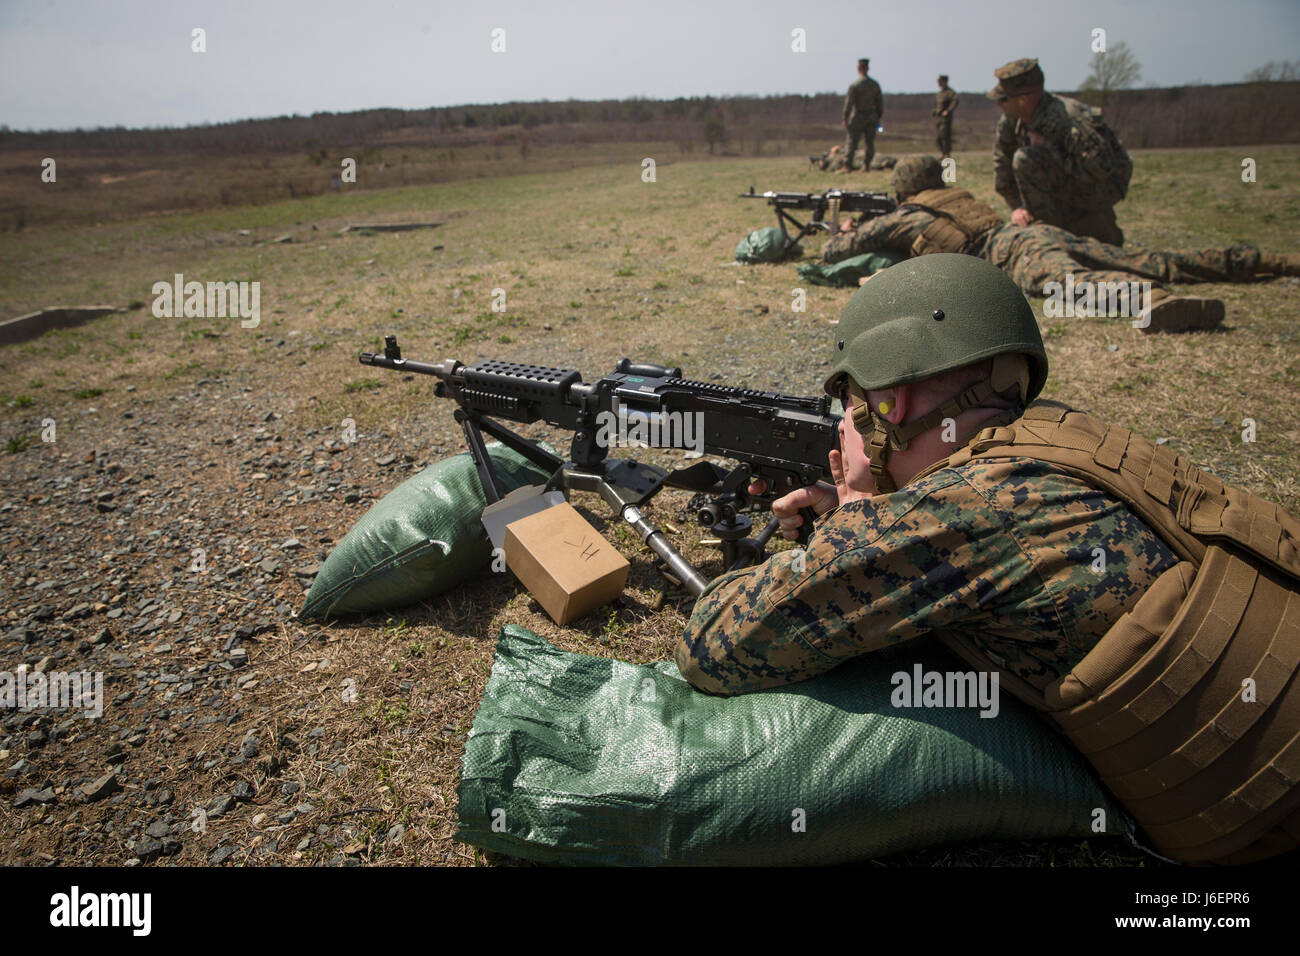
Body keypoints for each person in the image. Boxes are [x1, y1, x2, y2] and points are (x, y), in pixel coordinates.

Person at [674, 254, 1300, 865]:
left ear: (892, 399)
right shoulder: (1073, 440)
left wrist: (861, 516)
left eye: (855, 397)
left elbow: (715, 647)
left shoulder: (962, 513)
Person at [822, 154, 1299, 332]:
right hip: (1037, 232)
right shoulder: (956, 194)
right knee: (1150, 258)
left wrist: (840, 232)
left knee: (1066, 284)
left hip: (1013, 252)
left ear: (902, 189)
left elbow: (836, 252)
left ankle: (1151, 299)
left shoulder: (905, 214)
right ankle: (1268, 260)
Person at [991, 58, 1131, 245]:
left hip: (1099, 191)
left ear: (1024, 99)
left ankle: (1083, 231)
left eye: (1003, 99)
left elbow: (1102, 170)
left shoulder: (1070, 120)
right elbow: (1002, 168)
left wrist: (1050, 149)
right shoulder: (1010, 121)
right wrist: (1017, 207)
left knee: (1026, 159)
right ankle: (1050, 235)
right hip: (1065, 188)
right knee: (1026, 159)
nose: (999, 105)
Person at [842, 58, 883, 172]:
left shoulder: (855, 85)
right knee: (870, 143)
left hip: (858, 116)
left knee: (851, 141)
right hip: (871, 116)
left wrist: (845, 117)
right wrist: (877, 116)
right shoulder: (874, 85)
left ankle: (847, 166)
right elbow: (880, 103)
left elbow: (849, 103)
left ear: (859, 68)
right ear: (867, 68)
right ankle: (867, 165)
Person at [932, 75, 958, 158]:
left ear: (944, 81)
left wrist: (948, 111)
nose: (938, 83)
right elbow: (938, 105)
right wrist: (935, 111)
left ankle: (947, 154)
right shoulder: (939, 93)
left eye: (940, 81)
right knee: (938, 138)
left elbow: (955, 101)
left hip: (945, 119)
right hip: (938, 119)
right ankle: (943, 153)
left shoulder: (950, 93)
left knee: (944, 137)